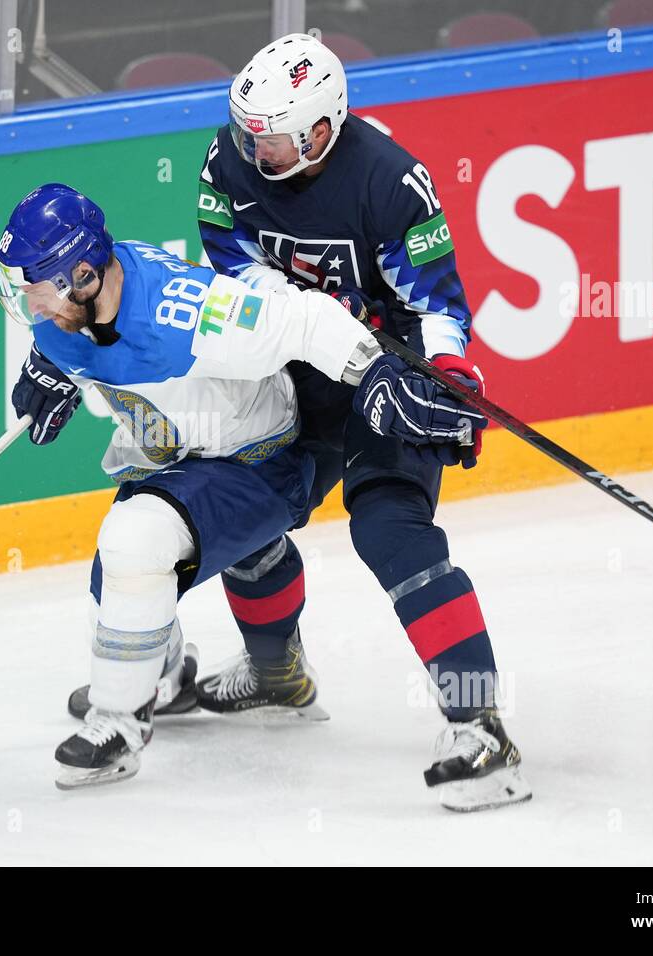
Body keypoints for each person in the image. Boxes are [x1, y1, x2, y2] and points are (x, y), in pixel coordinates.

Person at [0, 183, 485, 791]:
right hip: (184, 457)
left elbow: (305, 319)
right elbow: (73, 348)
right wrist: (47, 372)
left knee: (137, 543)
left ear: (84, 276)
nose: (30, 305)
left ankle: (118, 722)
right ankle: (169, 677)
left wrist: (378, 374)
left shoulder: (189, 312)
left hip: (261, 464)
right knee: (113, 579)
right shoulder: (73, 313)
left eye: (36, 289)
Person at [188, 33, 529, 811]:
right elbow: (233, 263)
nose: (253, 148)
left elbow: (436, 305)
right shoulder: (228, 164)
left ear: (320, 128)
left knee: (391, 530)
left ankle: (480, 726)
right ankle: (278, 677)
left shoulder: (391, 180)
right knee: (240, 507)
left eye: (271, 137)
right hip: (290, 366)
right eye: (249, 132)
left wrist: (444, 377)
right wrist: (311, 316)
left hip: (384, 374)